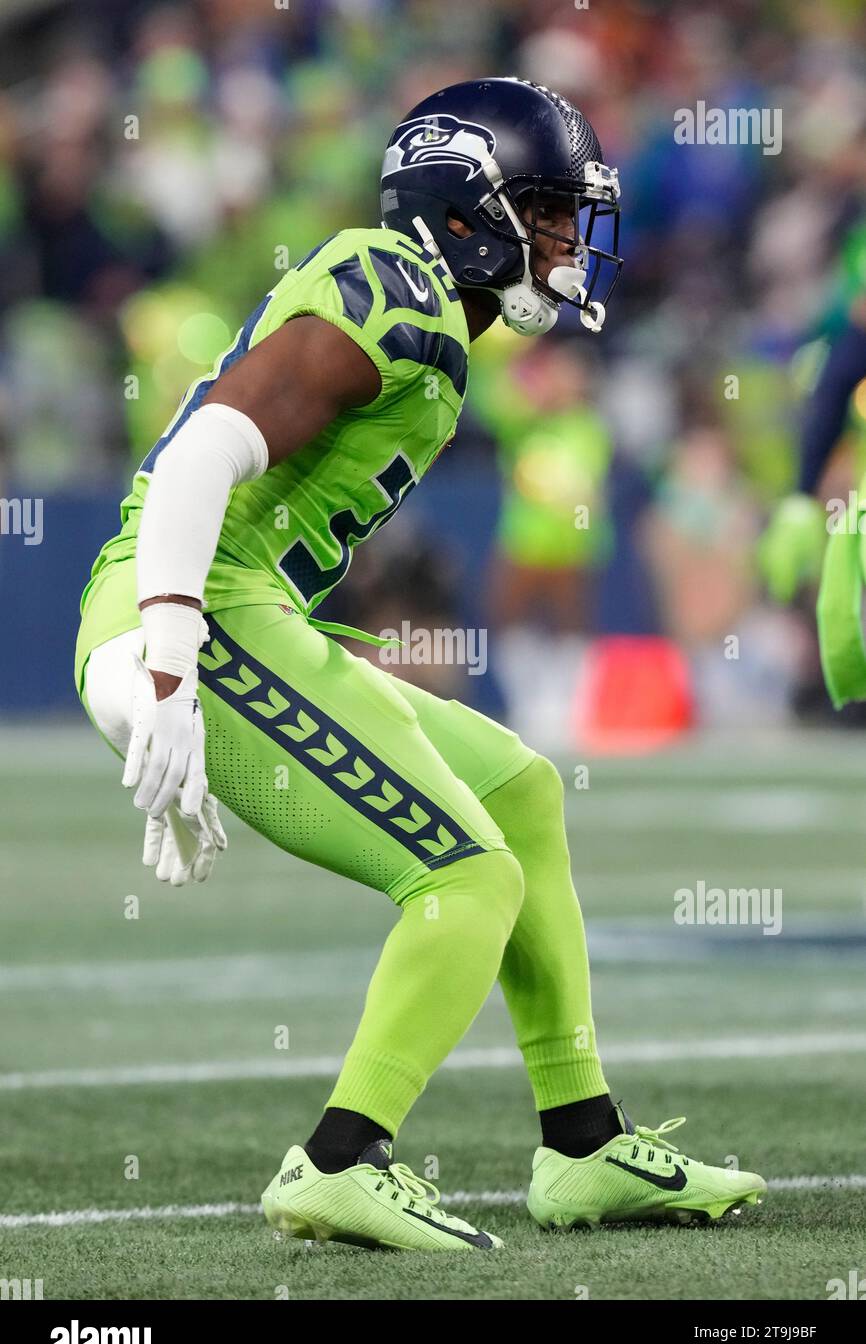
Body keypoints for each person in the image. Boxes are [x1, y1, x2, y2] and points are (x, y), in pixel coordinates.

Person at [75, 78, 765, 1251]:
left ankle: (582, 1142)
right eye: (546, 211)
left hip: (231, 608)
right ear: (468, 207)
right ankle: (339, 1160)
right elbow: (199, 459)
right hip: (191, 608)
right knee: (466, 876)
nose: (566, 241)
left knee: (520, 791)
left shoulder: (439, 320)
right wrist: (170, 663)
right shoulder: (390, 287)